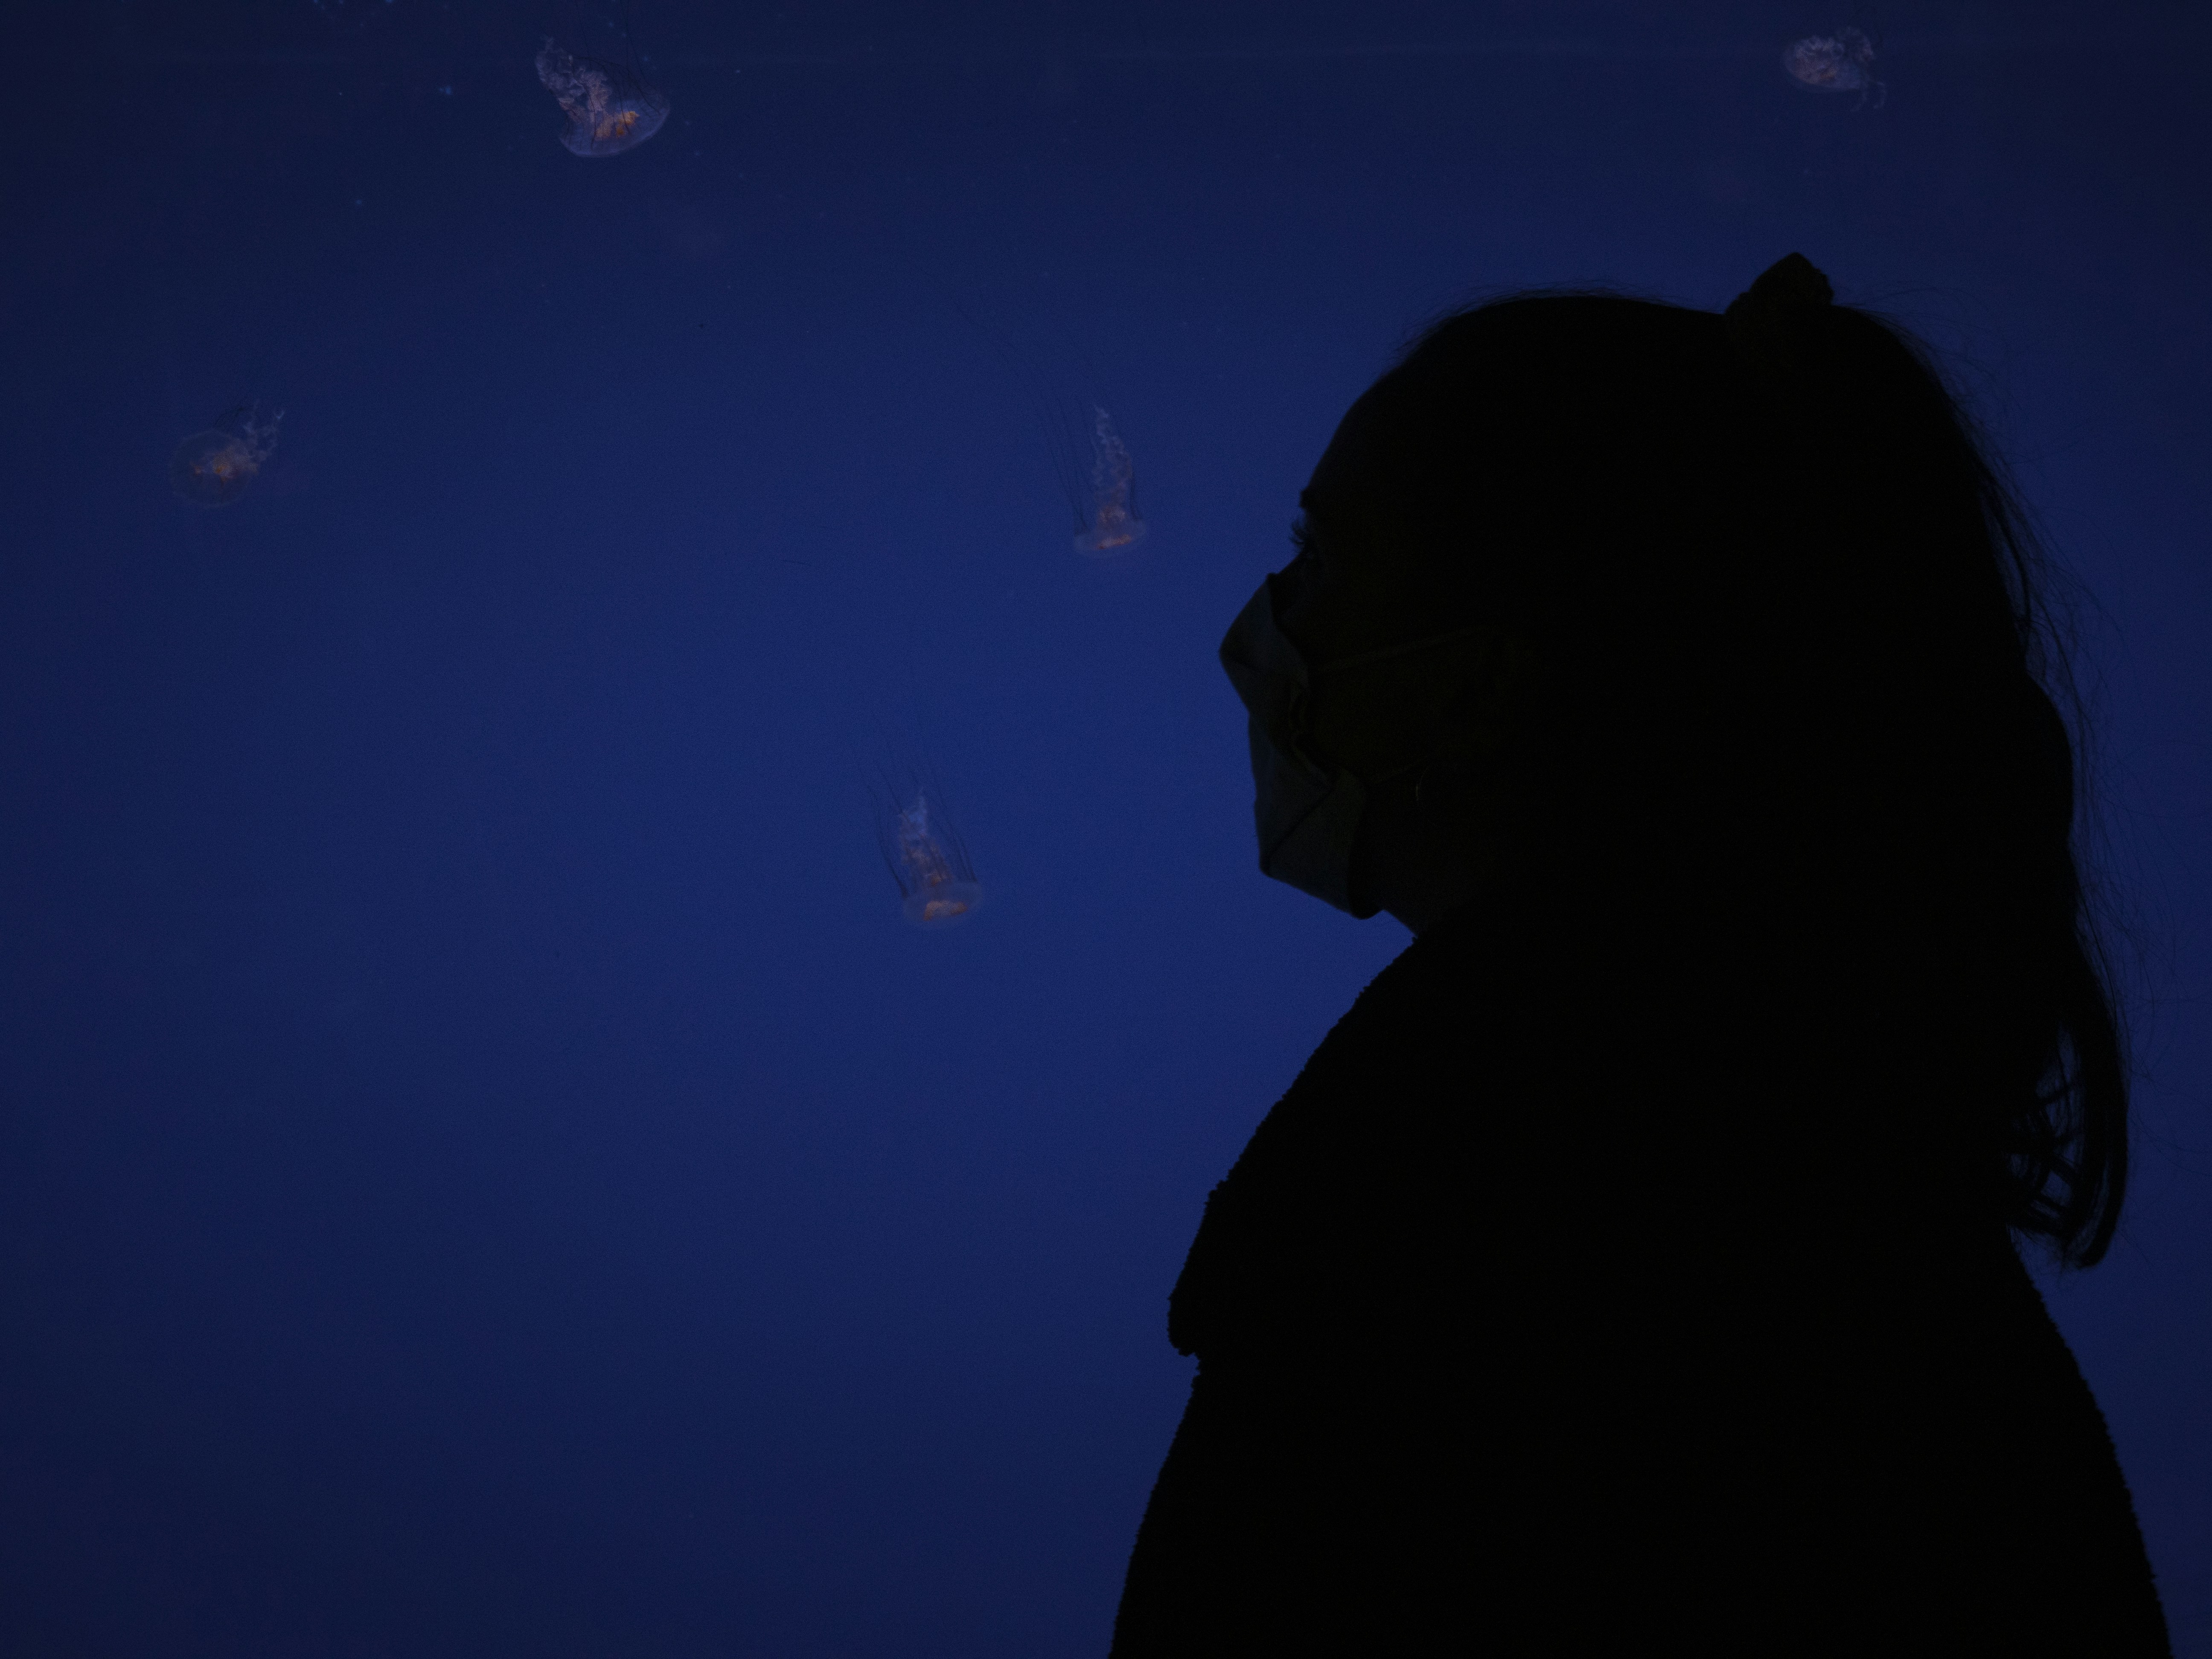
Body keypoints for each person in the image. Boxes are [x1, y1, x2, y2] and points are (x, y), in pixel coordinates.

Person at [1108, 256, 2174, 1656]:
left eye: (1324, 559)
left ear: (1480, 677)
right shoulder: (1804, 1106)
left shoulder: (1485, 1164)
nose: (1273, 624)